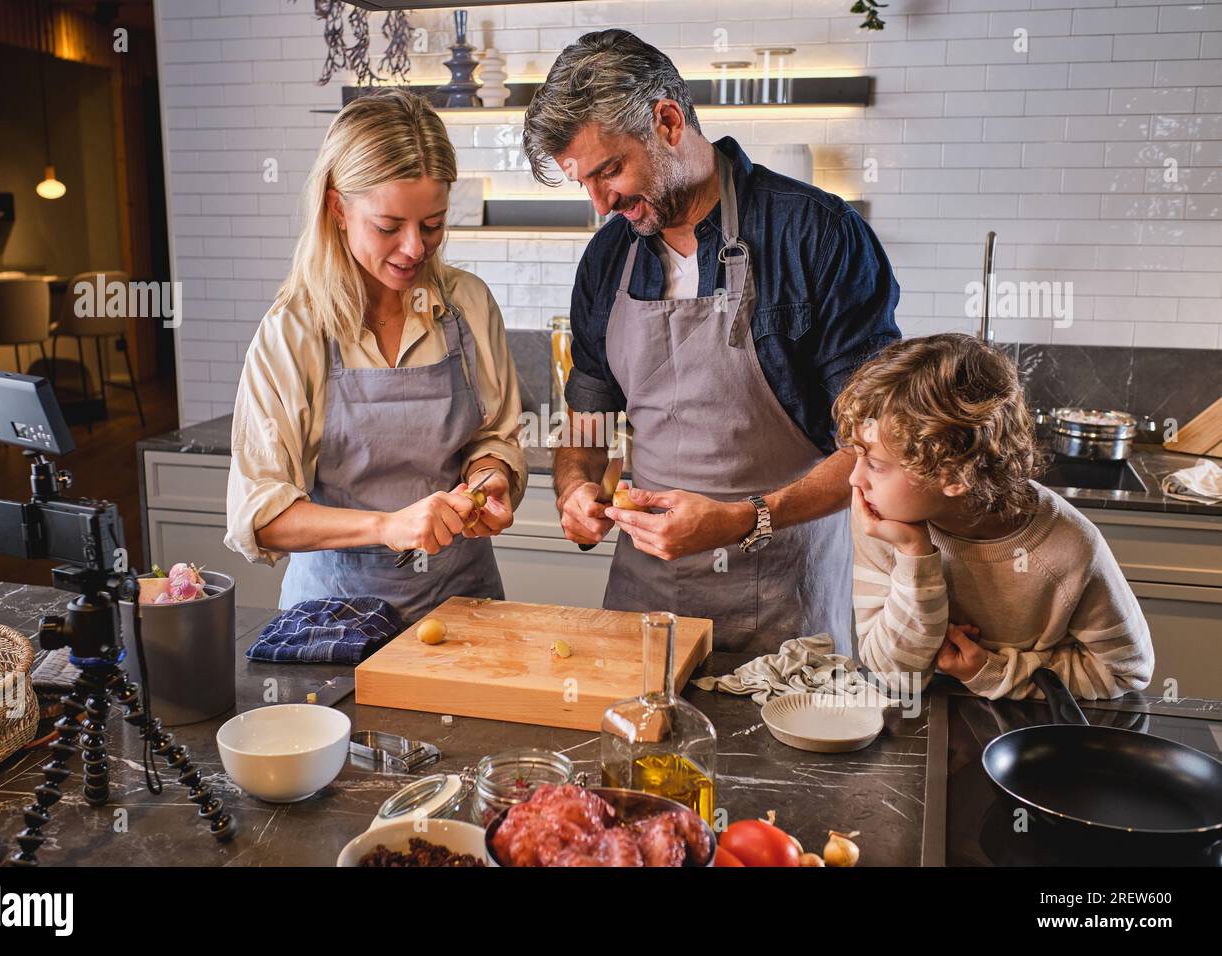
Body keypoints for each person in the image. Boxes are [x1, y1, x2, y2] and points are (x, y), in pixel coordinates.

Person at [522, 29, 901, 654]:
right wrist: (575, 490)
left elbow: (879, 446)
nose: (601, 204)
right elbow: (587, 422)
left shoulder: (817, 234)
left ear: (668, 120)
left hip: (785, 604)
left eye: (611, 170)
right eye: (585, 183)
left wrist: (742, 520)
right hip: (645, 609)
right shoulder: (605, 259)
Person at [225, 90, 527, 622]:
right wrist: (387, 527)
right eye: (389, 227)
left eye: (432, 225)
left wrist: (489, 478)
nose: (414, 247)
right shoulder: (293, 330)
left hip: (466, 608)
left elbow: (493, 437)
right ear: (338, 208)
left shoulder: (469, 305)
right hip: (334, 620)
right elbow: (260, 513)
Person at [836, 333, 1154, 700]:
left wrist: (993, 672)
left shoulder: (1070, 548)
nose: (854, 479)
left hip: (1030, 739)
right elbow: (893, 676)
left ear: (955, 476)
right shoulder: (887, 524)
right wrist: (914, 557)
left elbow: (1126, 672)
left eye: (875, 464)